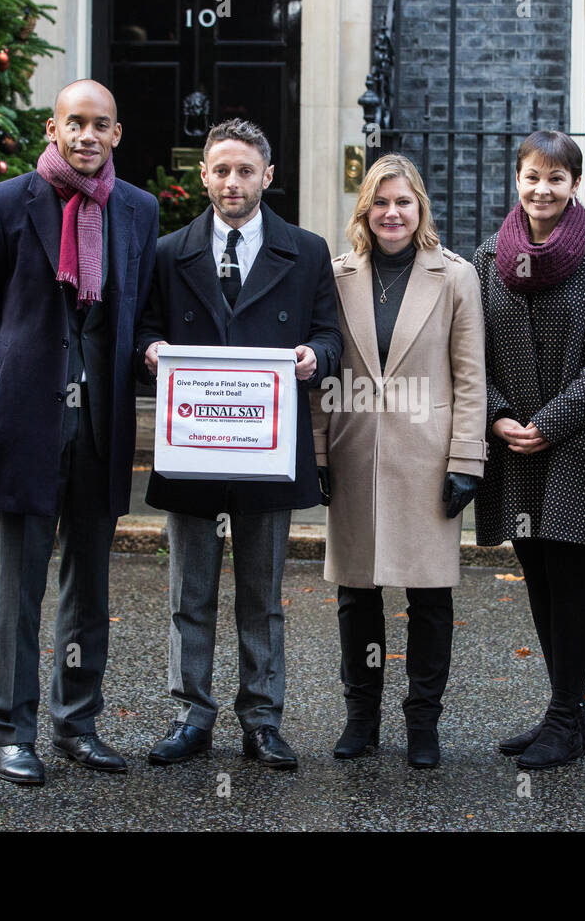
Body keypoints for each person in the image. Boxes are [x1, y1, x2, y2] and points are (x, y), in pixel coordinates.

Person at [0, 79, 161, 785]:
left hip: (102, 425)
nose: (85, 135)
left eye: (99, 124)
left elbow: (134, 310)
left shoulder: (138, 209)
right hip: (28, 421)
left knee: (90, 587)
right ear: (53, 128)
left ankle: (78, 722)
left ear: (115, 133)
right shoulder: (4, 203)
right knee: (21, 589)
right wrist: (21, 376)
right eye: (74, 122)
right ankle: (12, 730)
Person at [137, 118, 342, 771]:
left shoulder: (307, 252)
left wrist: (316, 356)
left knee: (262, 595)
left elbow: (331, 334)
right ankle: (190, 714)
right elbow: (143, 325)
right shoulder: (170, 252)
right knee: (188, 594)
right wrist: (150, 349)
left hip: (267, 451)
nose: (233, 182)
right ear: (203, 176)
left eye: (245, 170)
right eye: (221, 170)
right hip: (194, 448)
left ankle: (262, 718)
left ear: (268, 177)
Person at [310, 153, 486, 769]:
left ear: (420, 210)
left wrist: (467, 458)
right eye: (380, 203)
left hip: (428, 457)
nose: (392, 214)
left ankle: (422, 722)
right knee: (356, 595)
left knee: (429, 596)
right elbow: (324, 371)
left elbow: (470, 378)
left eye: (403, 202)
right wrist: (318, 451)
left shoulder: (456, 277)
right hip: (355, 452)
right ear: (366, 209)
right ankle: (361, 716)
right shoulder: (335, 275)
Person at [473, 130, 585, 771]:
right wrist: (499, 416)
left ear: (575, 185)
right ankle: (566, 713)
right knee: (535, 574)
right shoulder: (489, 257)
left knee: (568, 575)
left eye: (557, 179)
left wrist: (550, 420)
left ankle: (566, 716)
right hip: (513, 441)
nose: (543, 189)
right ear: (518, 180)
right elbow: (467, 349)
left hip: (579, 440)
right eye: (533, 177)